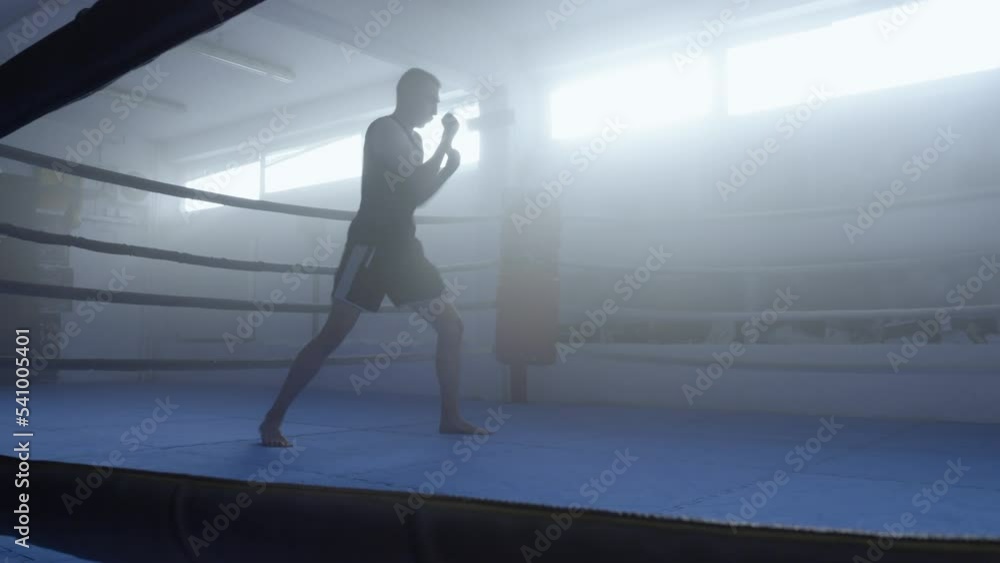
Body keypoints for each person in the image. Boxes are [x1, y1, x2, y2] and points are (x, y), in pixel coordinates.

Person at [259, 68, 483, 447]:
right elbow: (411, 188)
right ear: (409, 95)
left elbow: (417, 194)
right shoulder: (384, 130)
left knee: (451, 326)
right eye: (431, 98)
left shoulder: (413, 139)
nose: (435, 107)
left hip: (403, 249)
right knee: (333, 334)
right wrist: (446, 144)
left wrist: (447, 166)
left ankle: (450, 417)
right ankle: (272, 421)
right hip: (371, 248)